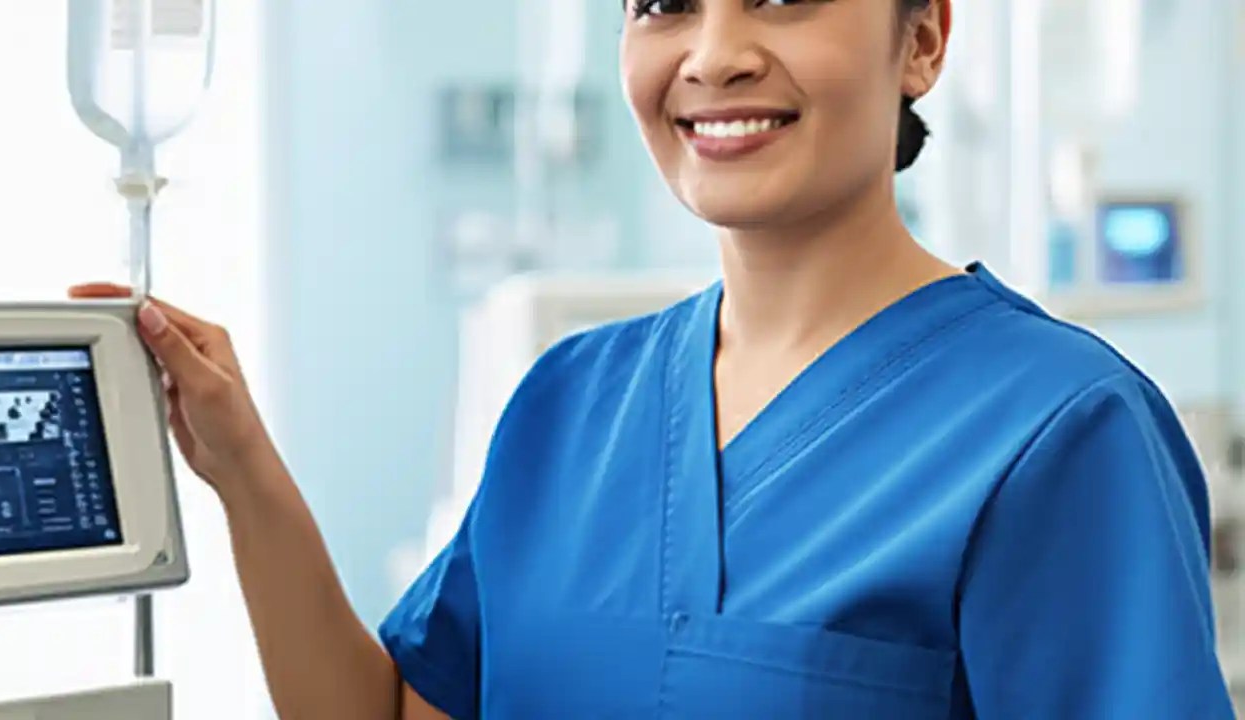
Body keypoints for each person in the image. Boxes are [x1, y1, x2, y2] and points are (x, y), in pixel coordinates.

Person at [72, 0, 1236, 717]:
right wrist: (243, 470)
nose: (714, 55)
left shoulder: (1059, 429)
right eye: (664, 4)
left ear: (920, 38)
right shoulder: (568, 404)